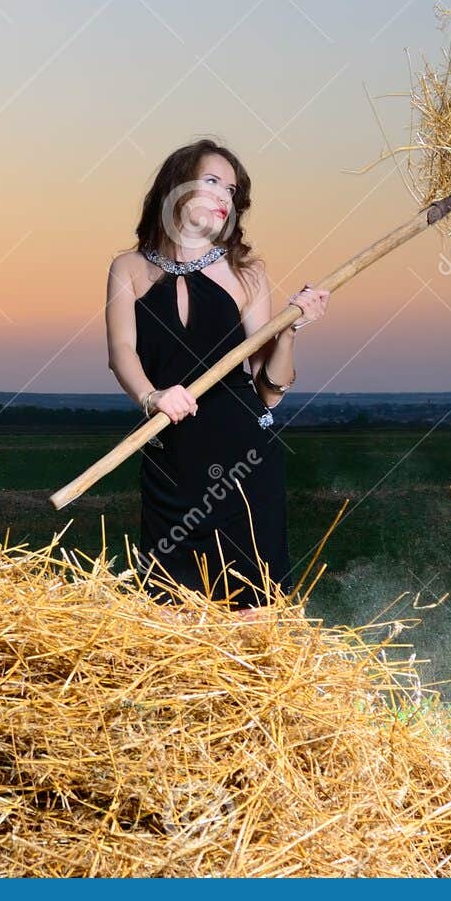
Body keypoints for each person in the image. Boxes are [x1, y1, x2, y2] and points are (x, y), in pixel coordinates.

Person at [105, 138, 328, 611]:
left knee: (253, 611)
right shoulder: (127, 268)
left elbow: (268, 390)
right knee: (173, 610)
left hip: (244, 458)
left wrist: (289, 330)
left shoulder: (248, 273)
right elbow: (121, 351)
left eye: (232, 190)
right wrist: (152, 397)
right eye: (212, 182)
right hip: (171, 460)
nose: (225, 197)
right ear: (176, 186)